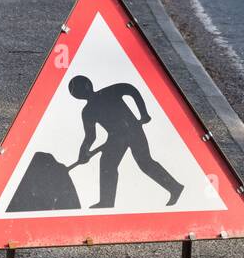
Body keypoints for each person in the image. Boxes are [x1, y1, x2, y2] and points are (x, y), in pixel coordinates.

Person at [68, 76, 184, 210]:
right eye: (75, 92)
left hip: (133, 129)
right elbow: (90, 136)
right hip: (115, 137)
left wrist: (144, 113)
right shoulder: (87, 111)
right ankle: (106, 202)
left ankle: (175, 188)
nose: (78, 93)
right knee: (107, 164)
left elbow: (131, 90)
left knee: (145, 162)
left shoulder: (108, 92)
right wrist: (83, 152)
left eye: (78, 89)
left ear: (88, 85)